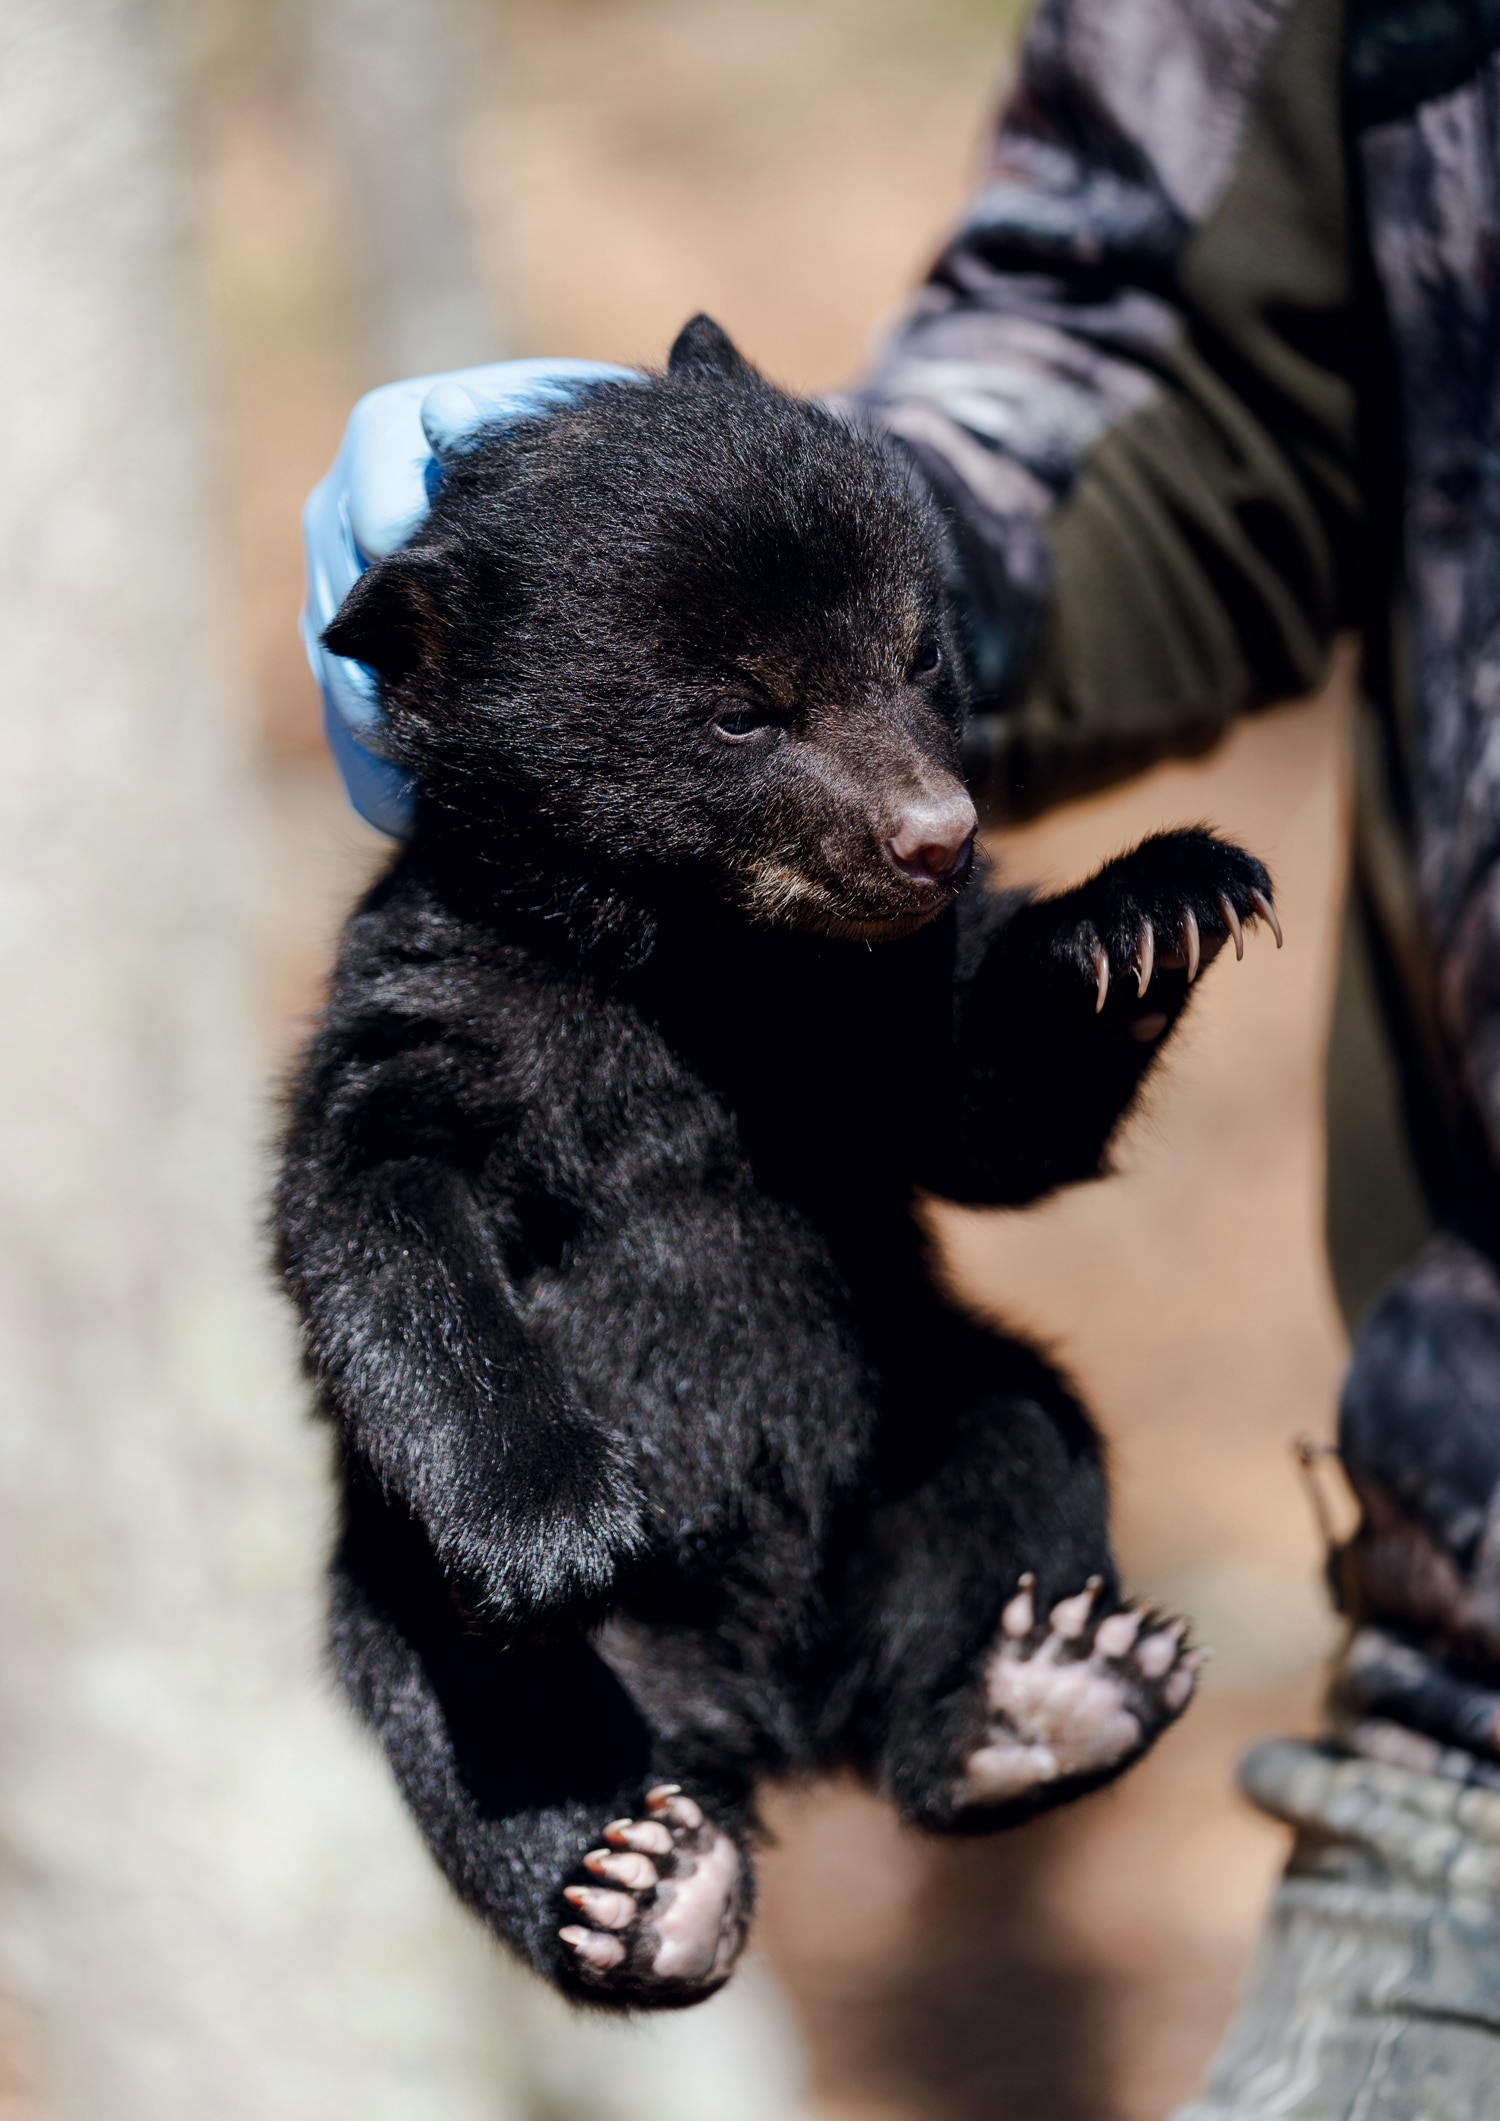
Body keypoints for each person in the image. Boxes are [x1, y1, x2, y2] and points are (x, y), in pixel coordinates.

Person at [303, 0, 1500, 2107]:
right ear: (438, 665)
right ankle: (625, 1860)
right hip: (601, 1609)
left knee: (1011, 1426)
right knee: (415, 1632)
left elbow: (991, 1139)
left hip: (876, 1507)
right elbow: (370, 1211)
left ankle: (966, 1703)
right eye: (751, 716)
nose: (925, 797)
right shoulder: (465, 974)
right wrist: (500, 1465)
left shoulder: (848, 919)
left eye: (904, 670)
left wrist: (1076, 991)